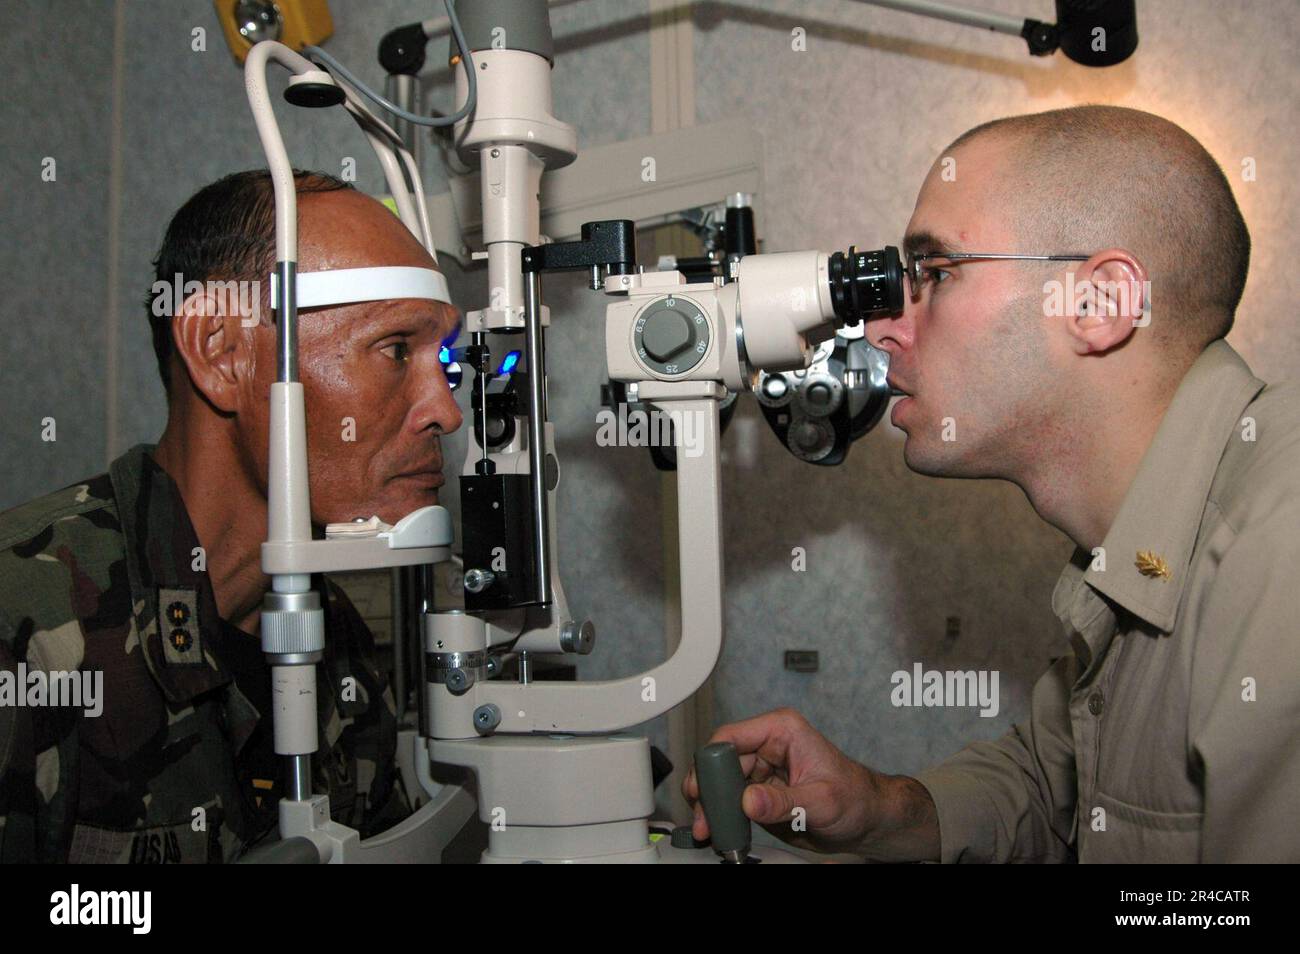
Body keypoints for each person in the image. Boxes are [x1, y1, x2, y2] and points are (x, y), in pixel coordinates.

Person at [684, 105, 1299, 863]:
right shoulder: (1134, 555)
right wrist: (879, 809)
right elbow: (1058, 789)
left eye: (936, 274)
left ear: (1099, 303)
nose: (881, 331)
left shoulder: (1278, 550)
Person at [0, 170, 463, 862]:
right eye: (395, 349)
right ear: (222, 351)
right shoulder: (25, 628)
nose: (446, 411)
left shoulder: (340, 647)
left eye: (444, 361)